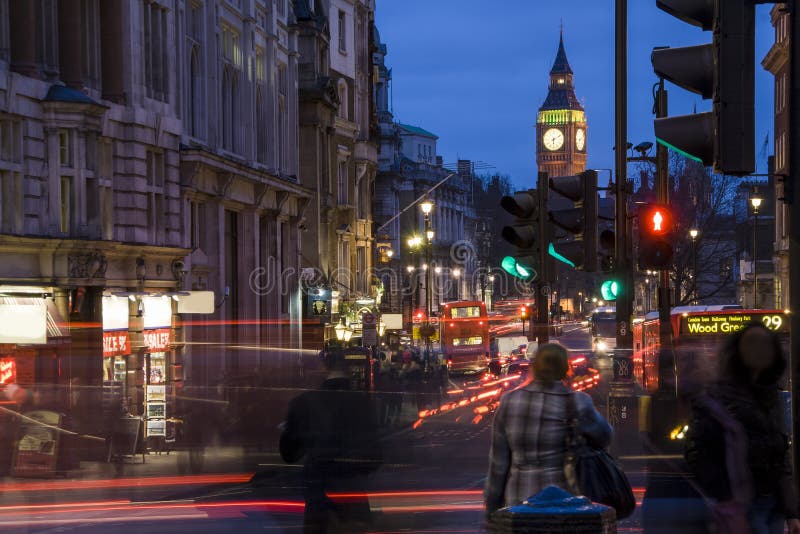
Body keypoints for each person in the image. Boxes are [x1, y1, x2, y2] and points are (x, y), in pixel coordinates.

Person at [685, 322, 800, 534]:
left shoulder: (771, 395)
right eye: (752, 344)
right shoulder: (719, 396)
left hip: (771, 506)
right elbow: (699, 452)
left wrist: (791, 511)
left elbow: (780, 455)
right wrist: (727, 497)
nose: (760, 351)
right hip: (741, 506)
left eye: (766, 345)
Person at [484, 343, 612, 518]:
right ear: (565, 368)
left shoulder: (510, 402)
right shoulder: (577, 402)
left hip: (520, 502)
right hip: (566, 501)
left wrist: (492, 506)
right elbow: (604, 436)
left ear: (534, 367)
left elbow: (498, 463)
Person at [280, 349, 382, 533]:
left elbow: (288, 453)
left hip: (318, 491)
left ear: (324, 367)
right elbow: (375, 455)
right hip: (352, 490)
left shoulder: (304, 402)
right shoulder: (363, 403)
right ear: (350, 369)